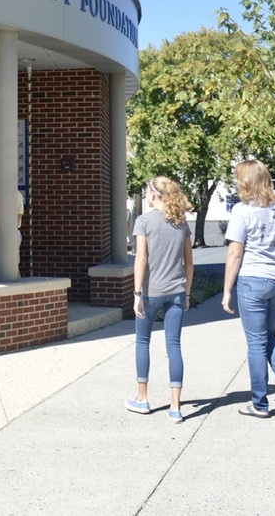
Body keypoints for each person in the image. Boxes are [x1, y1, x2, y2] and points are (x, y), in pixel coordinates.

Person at [221, 159, 275, 418]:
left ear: (246, 181)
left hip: (253, 280)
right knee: (270, 336)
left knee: (256, 343)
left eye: (238, 178)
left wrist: (226, 289)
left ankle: (260, 404)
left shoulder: (242, 210)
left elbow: (235, 253)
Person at [125, 176, 194, 422]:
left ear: (153, 194)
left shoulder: (144, 221)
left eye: (146, 191)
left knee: (142, 342)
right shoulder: (181, 223)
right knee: (174, 346)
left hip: (151, 292)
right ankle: (175, 407)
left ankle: (142, 399)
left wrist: (136, 294)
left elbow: (141, 259)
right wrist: (187, 293)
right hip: (177, 292)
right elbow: (189, 263)